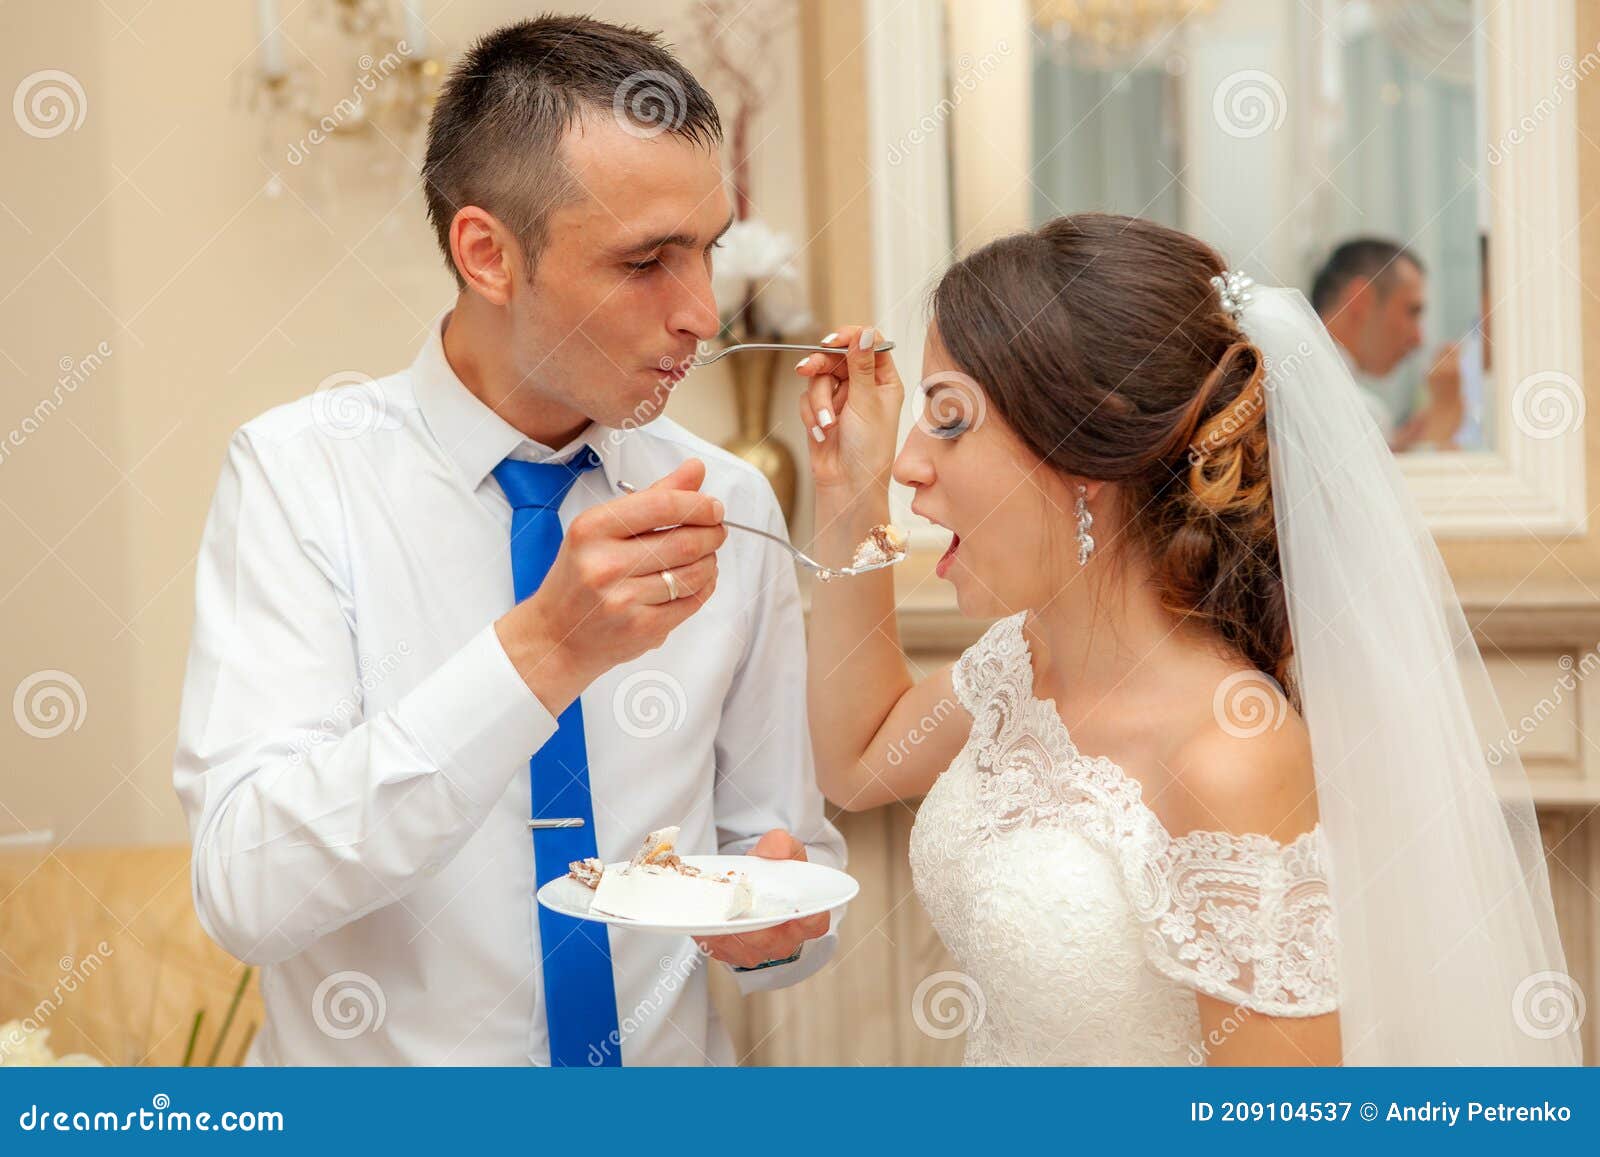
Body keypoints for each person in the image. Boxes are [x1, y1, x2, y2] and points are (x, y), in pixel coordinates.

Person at [173, 15, 843, 1066]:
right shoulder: (299, 477)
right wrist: (544, 650)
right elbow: (246, 892)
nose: (702, 314)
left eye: (706, 250)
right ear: (486, 252)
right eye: (645, 261)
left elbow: (787, 858)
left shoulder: (727, 500)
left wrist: (778, 927)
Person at [795, 212, 1581, 1065]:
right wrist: (849, 494)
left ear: (1086, 450)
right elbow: (860, 755)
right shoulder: (1023, 662)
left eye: (947, 418)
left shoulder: (1230, 758)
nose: (910, 461)